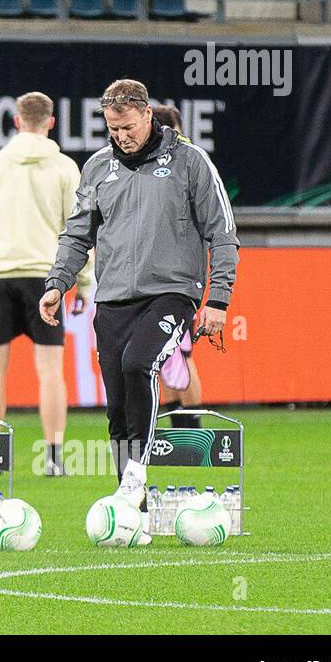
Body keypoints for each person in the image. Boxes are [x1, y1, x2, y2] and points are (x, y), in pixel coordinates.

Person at [41, 80, 238, 543]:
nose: (121, 136)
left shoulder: (191, 162)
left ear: (148, 115)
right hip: (112, 299)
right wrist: (57, 283)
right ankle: (136, 514)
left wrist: (218, 298)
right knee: (117, 408)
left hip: (172, 293)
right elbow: (76, 236)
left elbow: (222, 233)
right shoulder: (95, 168)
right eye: (113, 128)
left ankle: (136, 474)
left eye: (128, 126)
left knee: (140, 364)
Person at [0, 92, 93, 476]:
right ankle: (55, 457)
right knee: (51, 369)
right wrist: (84, 282)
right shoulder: (64, 167)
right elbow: (79, 228)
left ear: (16, 120)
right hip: (46, 277)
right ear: (51, 122)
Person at [151, 103, 204, 430]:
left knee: (180, 352)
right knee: (163, 354)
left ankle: (194, 430)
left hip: (177, 277)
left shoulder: (186, 167)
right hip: (158, 275)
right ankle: (178, 429)